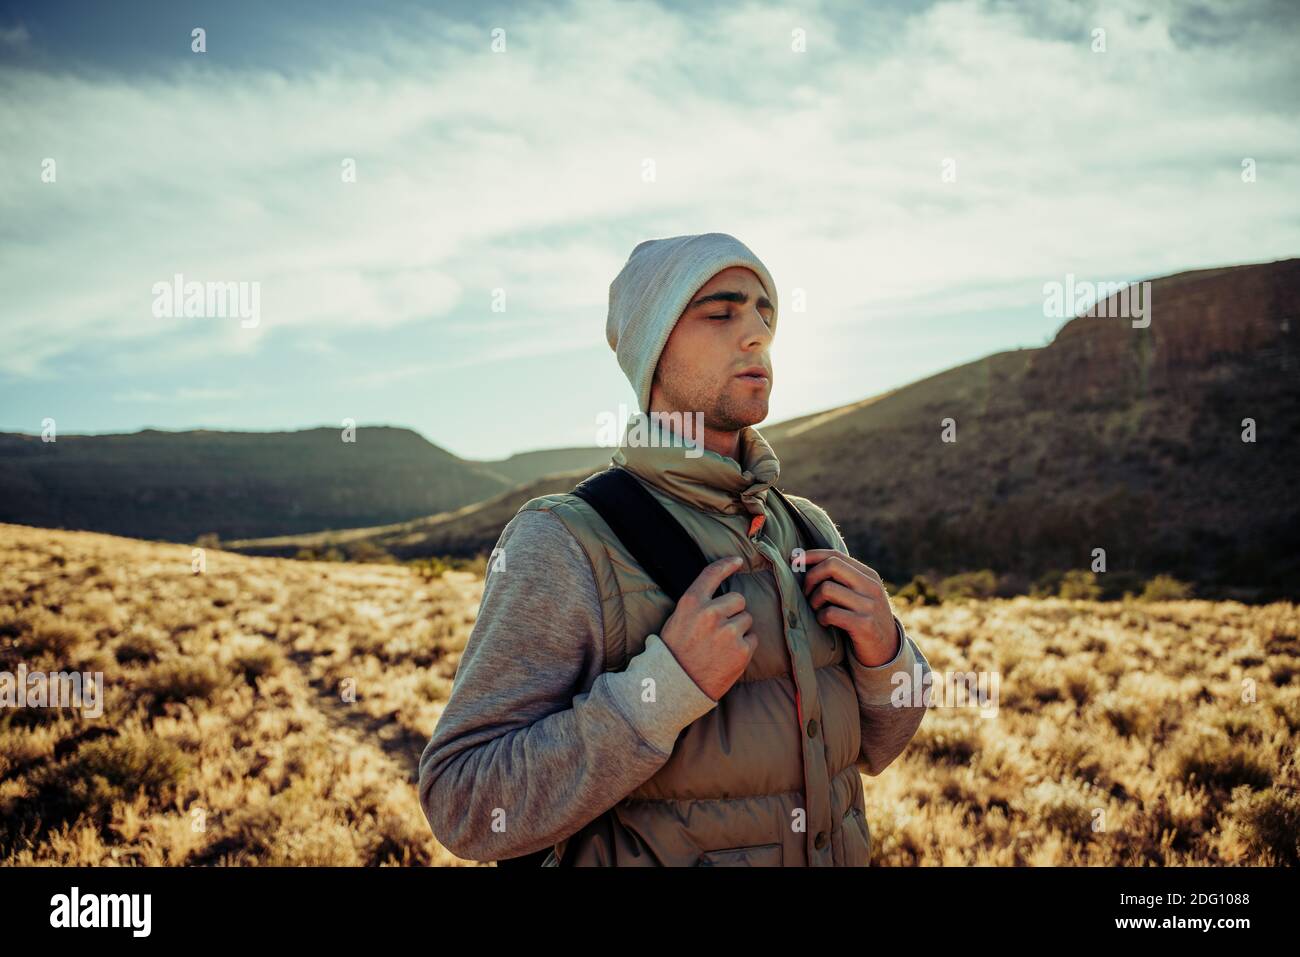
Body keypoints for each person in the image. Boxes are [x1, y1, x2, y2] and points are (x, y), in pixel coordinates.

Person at [418, 232, 931, 866]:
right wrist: (662, 689)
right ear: (653, 349)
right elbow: (463, 804)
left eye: (764, 313)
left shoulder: (808, 529)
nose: (757, 334)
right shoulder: (566, 540)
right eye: (720, 313)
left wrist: (888, 657)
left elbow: (875, 751)